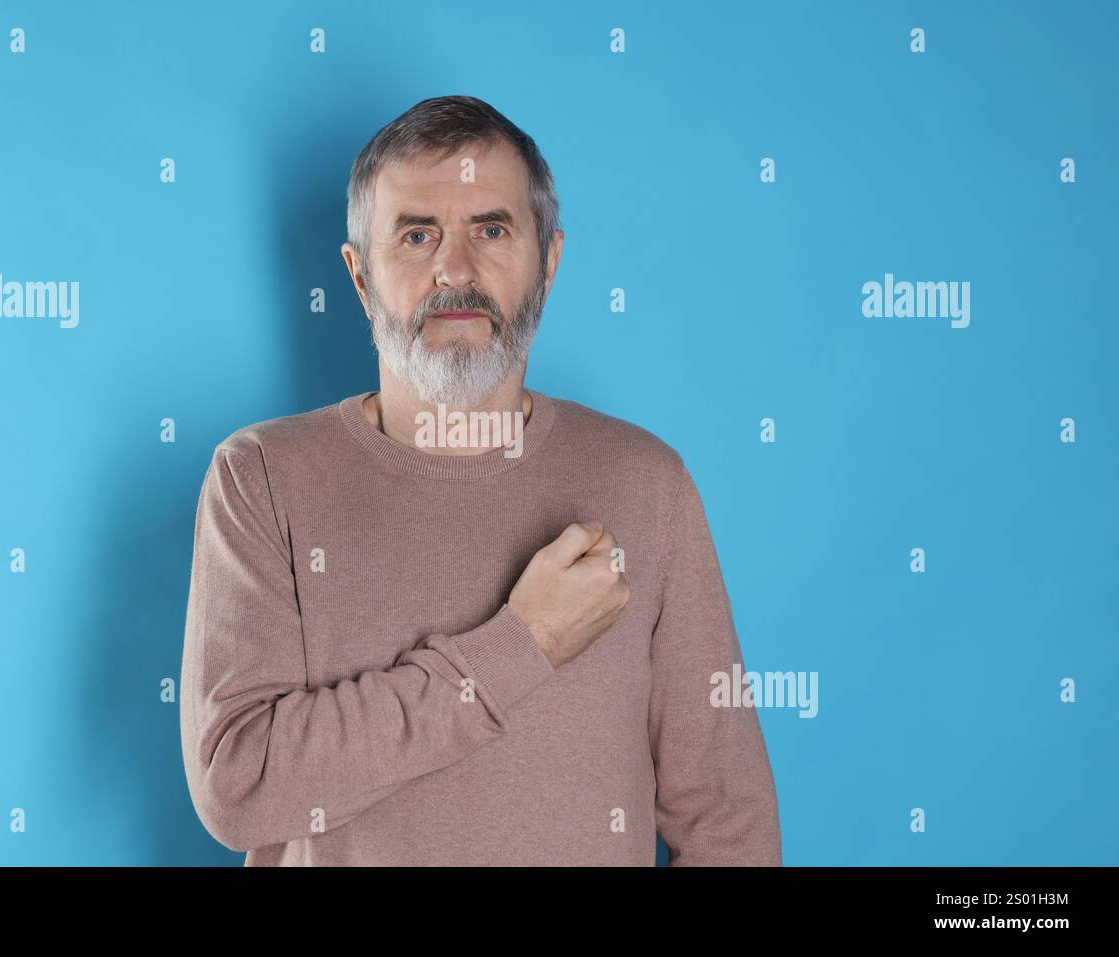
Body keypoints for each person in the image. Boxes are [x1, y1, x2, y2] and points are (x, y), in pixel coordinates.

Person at [179, 94, 781, 866]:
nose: (454, 271)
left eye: (491, 230)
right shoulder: (260, 478)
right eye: (417, 234)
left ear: (549, 262)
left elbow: (727, 821)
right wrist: (521, 644)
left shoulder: (646, 483)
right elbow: (239, 784)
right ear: (360, 277)